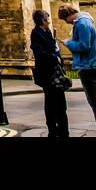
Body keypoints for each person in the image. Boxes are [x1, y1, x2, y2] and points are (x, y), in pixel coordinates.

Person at [58, 3, 96, 137]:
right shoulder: (83, 21)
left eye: (64, 19)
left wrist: (68, 43)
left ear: (68, 15)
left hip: (88, 66)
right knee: (94, 102)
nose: (66, 22)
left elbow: (84, 46)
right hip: (89, 65)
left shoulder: (81, 24)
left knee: (95, 102)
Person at [30, 10, 69, 139]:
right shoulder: (36, 33)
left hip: (55, 71)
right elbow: (39, 52)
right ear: (42, 21)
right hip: (46, 74)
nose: (49, 21)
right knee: (51, 103)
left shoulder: (48, 32)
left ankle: (64, 130)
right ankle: (52, 129)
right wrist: (54, 58)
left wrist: (59, 58)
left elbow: (54, 49)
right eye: (47, 19)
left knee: (61, 103)